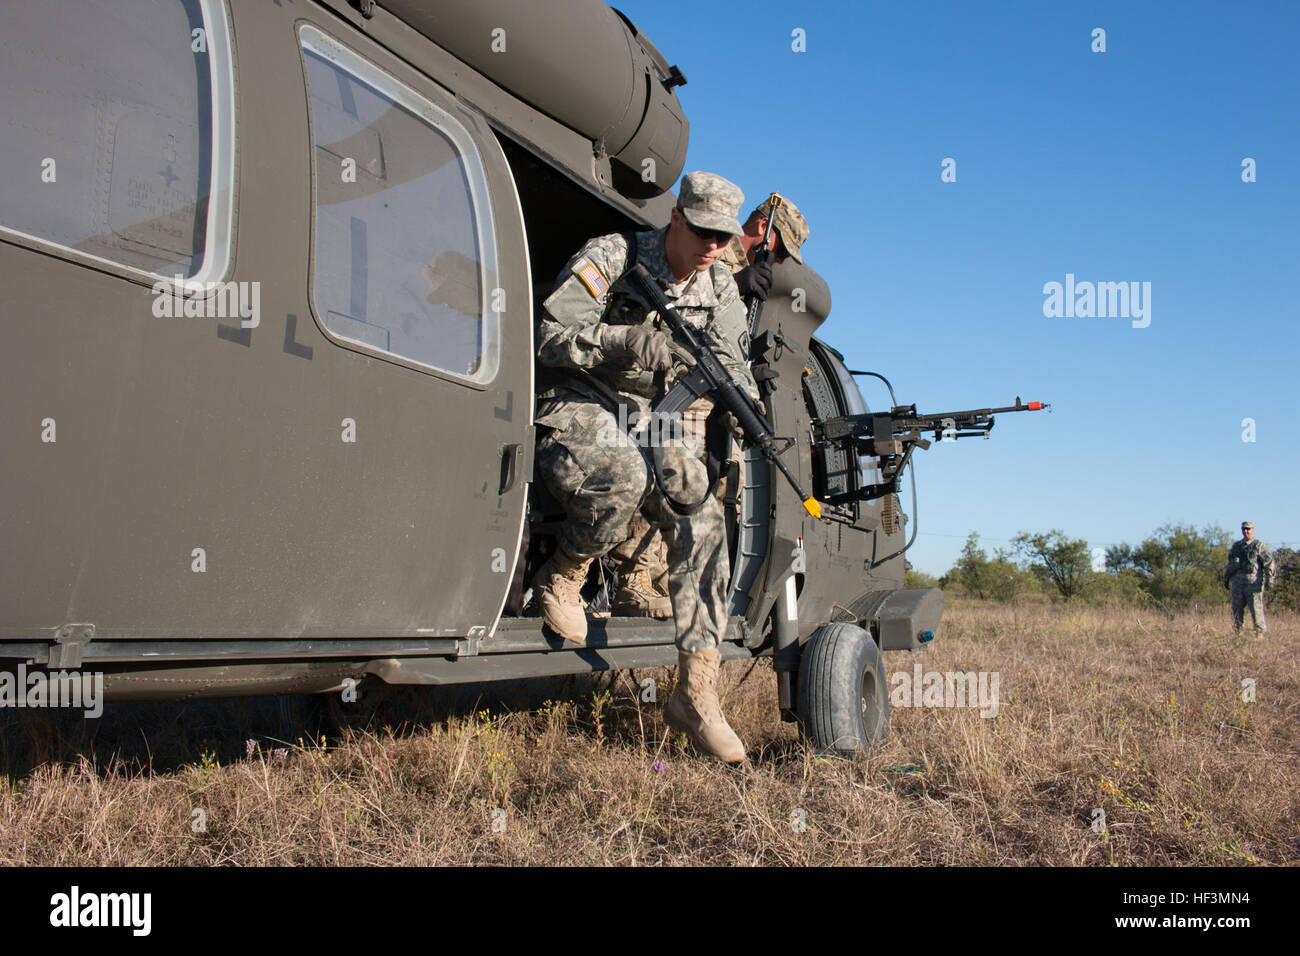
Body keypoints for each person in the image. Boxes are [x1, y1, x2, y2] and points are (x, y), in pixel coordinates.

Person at [531, 171, 759, 762]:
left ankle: (696, 694)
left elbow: (732, 360)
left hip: (649, 412)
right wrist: (623, 341)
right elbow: (545, 335)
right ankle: (563, 573)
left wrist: (743, 408)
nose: (713, 248)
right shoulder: (615, 253)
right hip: (574, 394)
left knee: (702, 517)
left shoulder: (722, 288)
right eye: (704, 231)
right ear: (677, 219)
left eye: (724, 237)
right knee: (624, 476)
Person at [610, 193, 811, 619]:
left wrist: (746, 374)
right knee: (661, 470)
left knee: (708, 485)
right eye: (778, 248)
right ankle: (634, 577)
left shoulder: (740, 269)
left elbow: (724, 342)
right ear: (765, 230)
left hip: (707, 400)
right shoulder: (704, 252)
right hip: (660, 387)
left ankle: (664, 576)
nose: (775, 259)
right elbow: (666, 311)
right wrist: (735, 285)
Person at [1224, 521, 1274, 634]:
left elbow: (1269, 563)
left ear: (1253, 530)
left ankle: (1259, 634)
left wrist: (1269, 579)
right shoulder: (1236, 546)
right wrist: (1226, 577)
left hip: (1253, 583)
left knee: (1256, 610)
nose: (1246, 531)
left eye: (1248, 529)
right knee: (1236, 610)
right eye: (1244, 529)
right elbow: (1230, 563)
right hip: (1238, 584)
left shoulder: (1259, 545)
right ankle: (1237, 634)